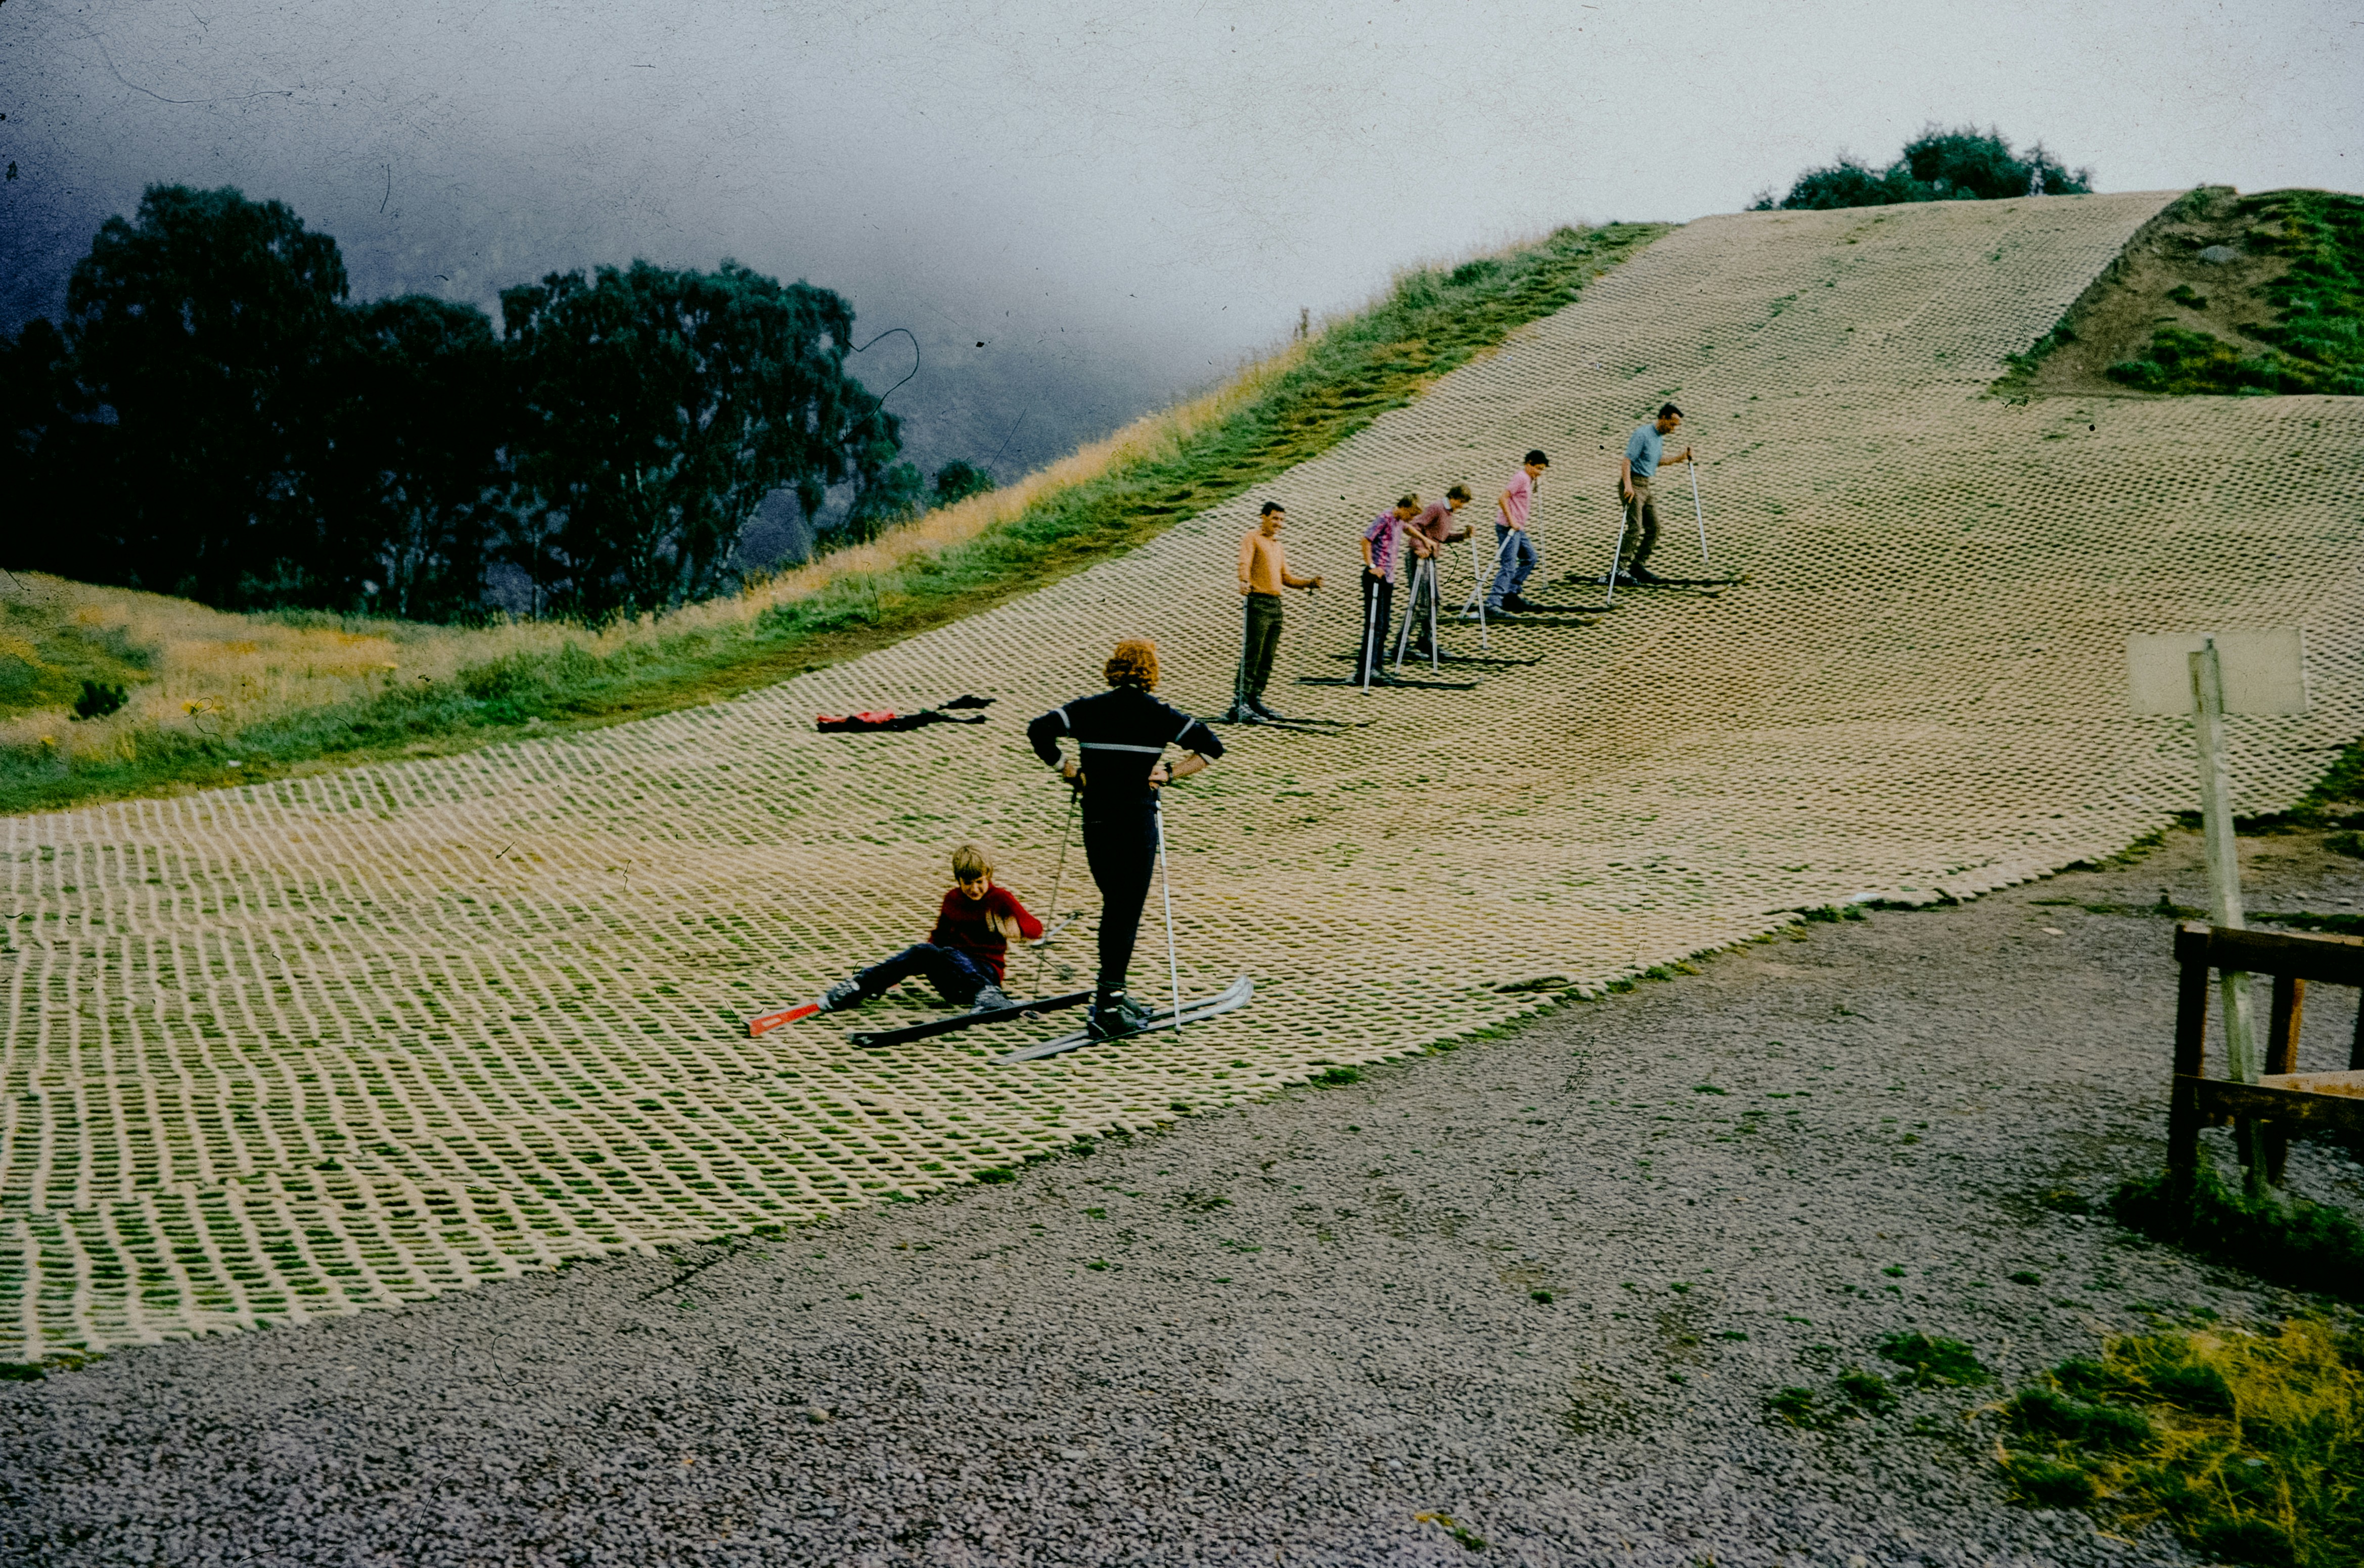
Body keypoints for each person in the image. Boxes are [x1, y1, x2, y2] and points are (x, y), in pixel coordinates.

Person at [1026, 640, 1225, 1039]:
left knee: (1115, 903)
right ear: (1151, 672)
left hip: (1096, 818)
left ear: (1114, 668)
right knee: (1124, 909)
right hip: (1136, 821)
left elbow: (1039, 730)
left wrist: (1068, 768)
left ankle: (1113, 994)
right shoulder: (1160, 715)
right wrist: (1170, 773)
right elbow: (1212, 749)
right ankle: (1109, 1006)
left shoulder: (1088, 709)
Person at [815, 843, 1044, 1016]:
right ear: (958, 880)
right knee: (924, 950)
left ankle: (990, 996)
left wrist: (1019, 928)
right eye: (968, 883)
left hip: (986, 974)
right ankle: (859, 985)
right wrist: (900, 969)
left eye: (979, 882)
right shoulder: (952, 899)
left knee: (949, 953)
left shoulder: (1000, 898)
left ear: (988, 876)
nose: (974, 889)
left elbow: (1036, 928)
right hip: (955, 979)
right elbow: (938, 939)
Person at [1228, 501, 1323, 723]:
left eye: (1281, 520)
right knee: (1253, 654)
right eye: (1275, 519)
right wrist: (1244, 581)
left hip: (1275, 605)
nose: (1278, 524)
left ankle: (1255, 699)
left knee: (1268, 656)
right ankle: (1239, 703)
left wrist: (1309, 583)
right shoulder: (1253, 537)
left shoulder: (1277, 545)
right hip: (1258, 602)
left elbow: (1285, 578)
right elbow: (1244, 563)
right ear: (1263, 517)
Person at [1616, 404, 1694, 585]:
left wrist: (1680, 458)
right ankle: (1619, 569)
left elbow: (1655, 461)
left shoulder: (1658, 438)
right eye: (1672, 425)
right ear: (1663, 418)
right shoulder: (1642, 434)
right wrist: (1628, 486)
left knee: (1654, 528)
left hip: (1645, 485)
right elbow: (1627, 461)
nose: (1673, 430)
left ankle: (1637, 566)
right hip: (1633, 484)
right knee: (1635, 528)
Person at [1400, 484, 1473, 659]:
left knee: (1435, 601)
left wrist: (1463, 536)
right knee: (1421, 602)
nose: (1461, 506)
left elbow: (1442, 537)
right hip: (1419, 559)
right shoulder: (1437, 508)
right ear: (1453, 497)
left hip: (1431, 560)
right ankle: (1402, 644)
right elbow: (1414, 526)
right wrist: (1419, 547)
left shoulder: (1448, 513)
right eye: (1461, 502)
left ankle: (1426, 640)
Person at [1358, 496, 1420, 683]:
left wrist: (1425, 540)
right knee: (1375, 624)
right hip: (1375, 577)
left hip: (1388, 578)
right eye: (1411, 514)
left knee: (1384, 624)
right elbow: (1366, 540)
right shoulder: (1385, 518)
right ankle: (1366, 669)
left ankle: (1378, 666)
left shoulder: (1399, 521)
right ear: (1403, 507)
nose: (1411, 519)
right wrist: (1371, 565)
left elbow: (1407, 528)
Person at [1486, 451, 1549, 614]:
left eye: (1542, 470)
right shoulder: (1521, 477)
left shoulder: (1529, 479)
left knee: (1530, 558)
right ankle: (1493, 602)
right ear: (1529, 463)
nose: (1540, 472)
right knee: (1509, 565)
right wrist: (1512, 520)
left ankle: (1510, 594)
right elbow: (1503, 498)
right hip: (1508, 528)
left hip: (1518, 529)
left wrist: (1536, 482)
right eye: (1538, 468)